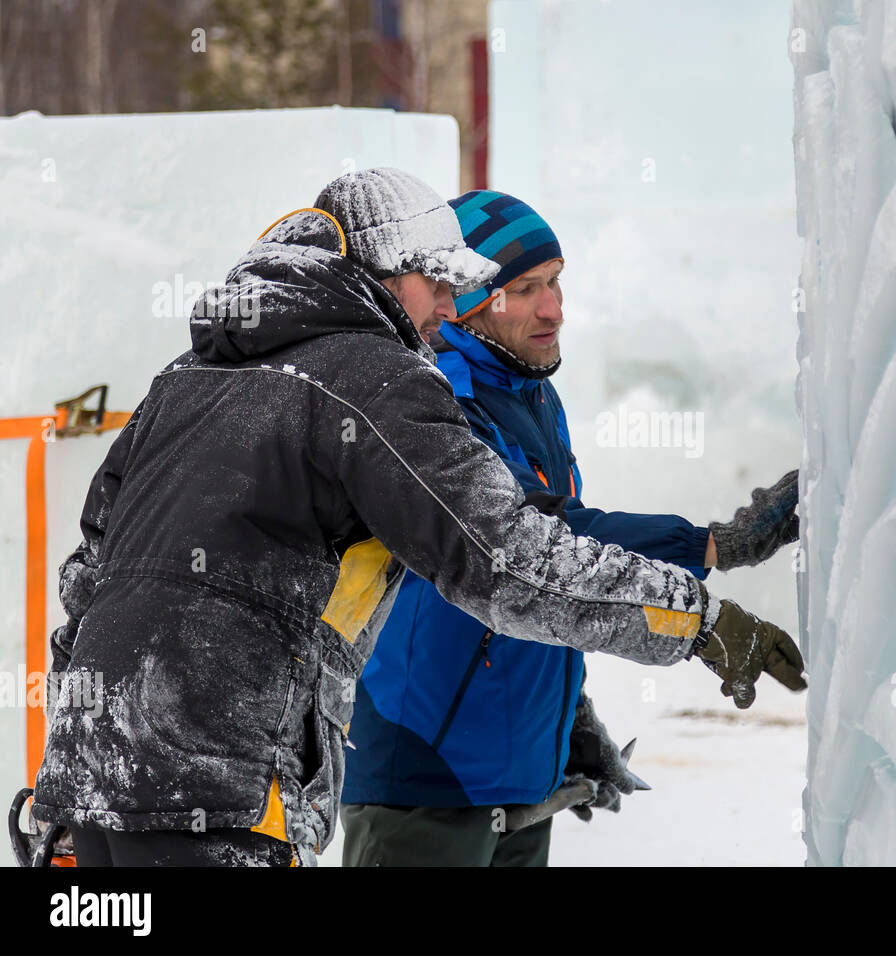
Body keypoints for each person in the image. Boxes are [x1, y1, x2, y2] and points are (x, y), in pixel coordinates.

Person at [28, 168, 806, 868]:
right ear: (374, 273)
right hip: (223, 797)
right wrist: (695, 621)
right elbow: (505, 558)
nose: (444, 304)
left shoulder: (185, 380)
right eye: (433, 281)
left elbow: (88, 584)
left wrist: (59, 799)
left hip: (90, 791)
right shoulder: (372, 376)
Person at [339, 190, 801, 867]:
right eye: (524, 288)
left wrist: (566, 725)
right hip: (426, 783)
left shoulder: (530, 394)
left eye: (555, 282)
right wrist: (710, 546)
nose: (553, 309)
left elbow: (548, 591)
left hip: (520, 783)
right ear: (465, 299)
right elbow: (541, 540)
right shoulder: (434, 398)